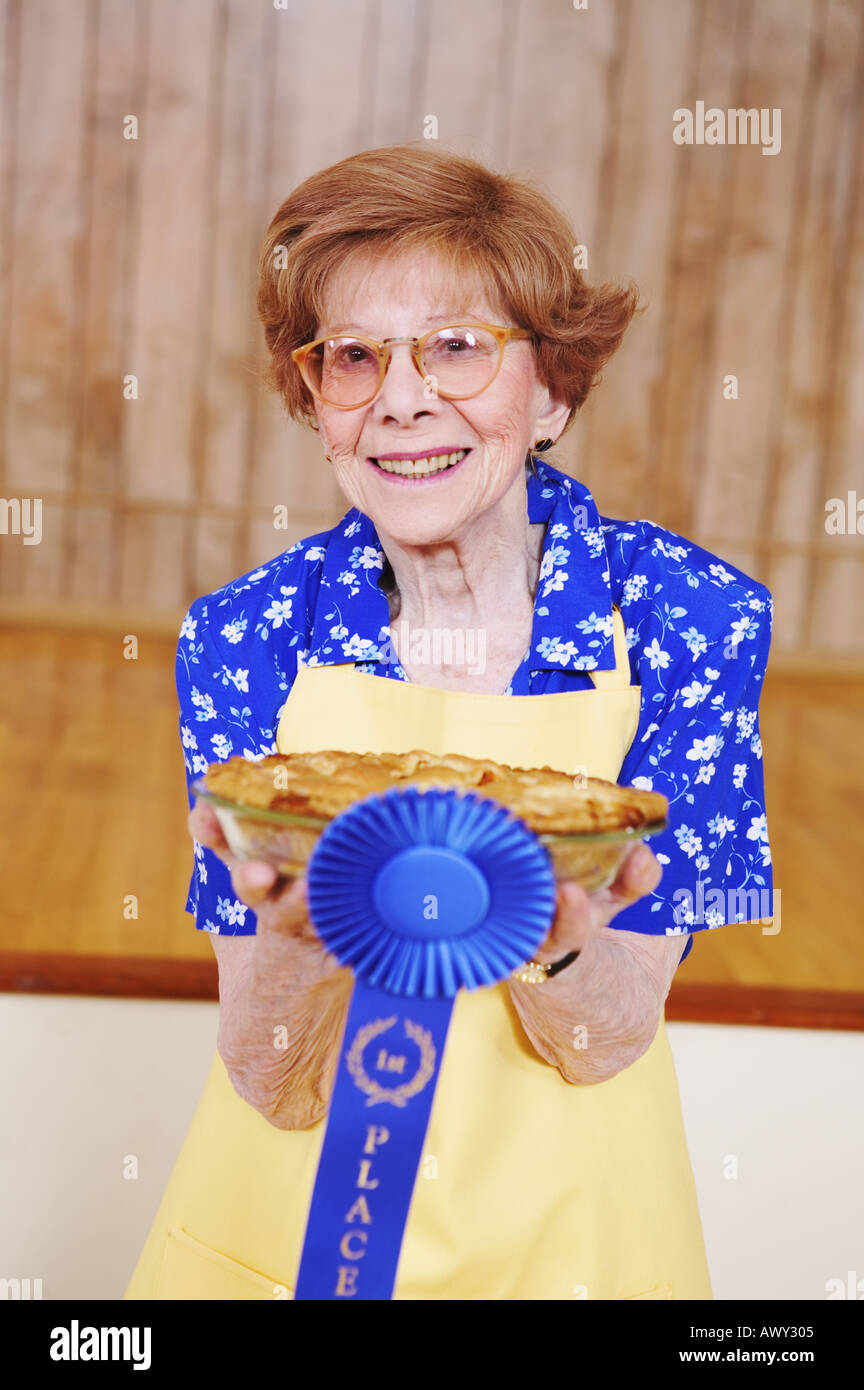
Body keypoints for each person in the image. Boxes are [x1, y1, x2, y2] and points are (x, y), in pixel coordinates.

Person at [124, 145, 772, 1301]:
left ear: (555, 391)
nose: (403, 398)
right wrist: (297, 937)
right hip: (287, 1242)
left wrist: (550, 924)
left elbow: (608, 1035)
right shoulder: (244, 640)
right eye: (355, 357)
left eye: (459, 347)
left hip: (576, 1249)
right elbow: (271, 1078)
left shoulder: (689, 620)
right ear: (314, 400)